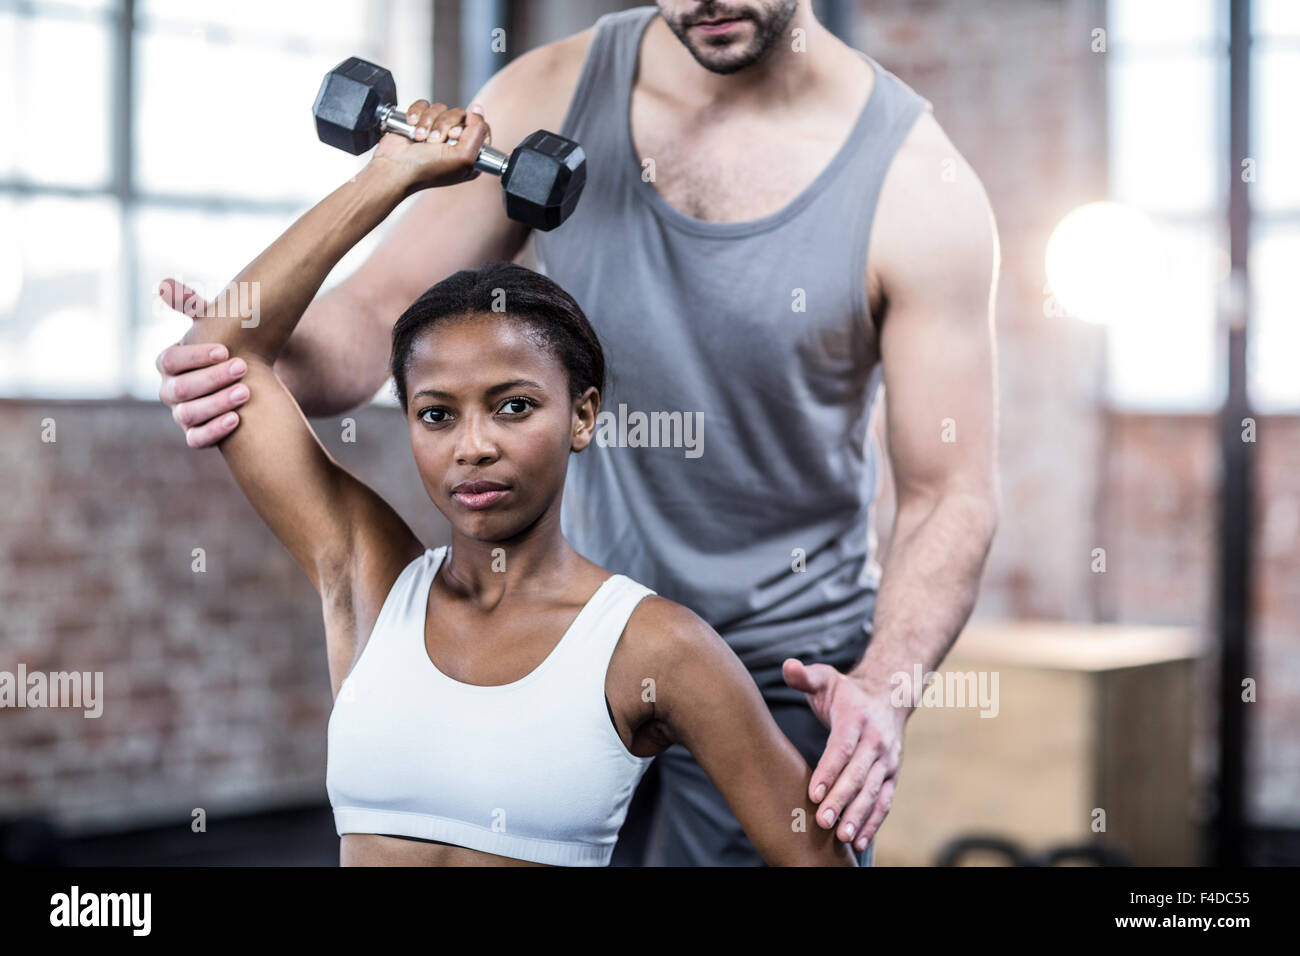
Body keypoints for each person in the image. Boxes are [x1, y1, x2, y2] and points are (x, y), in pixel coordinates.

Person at [157, 0, 1000, 867]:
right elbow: (377, 318)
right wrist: (252, 338)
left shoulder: (915, 185)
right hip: (569, 635)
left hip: (780, 661)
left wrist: (886, 685)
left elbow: (951, 492)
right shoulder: (551, 92)